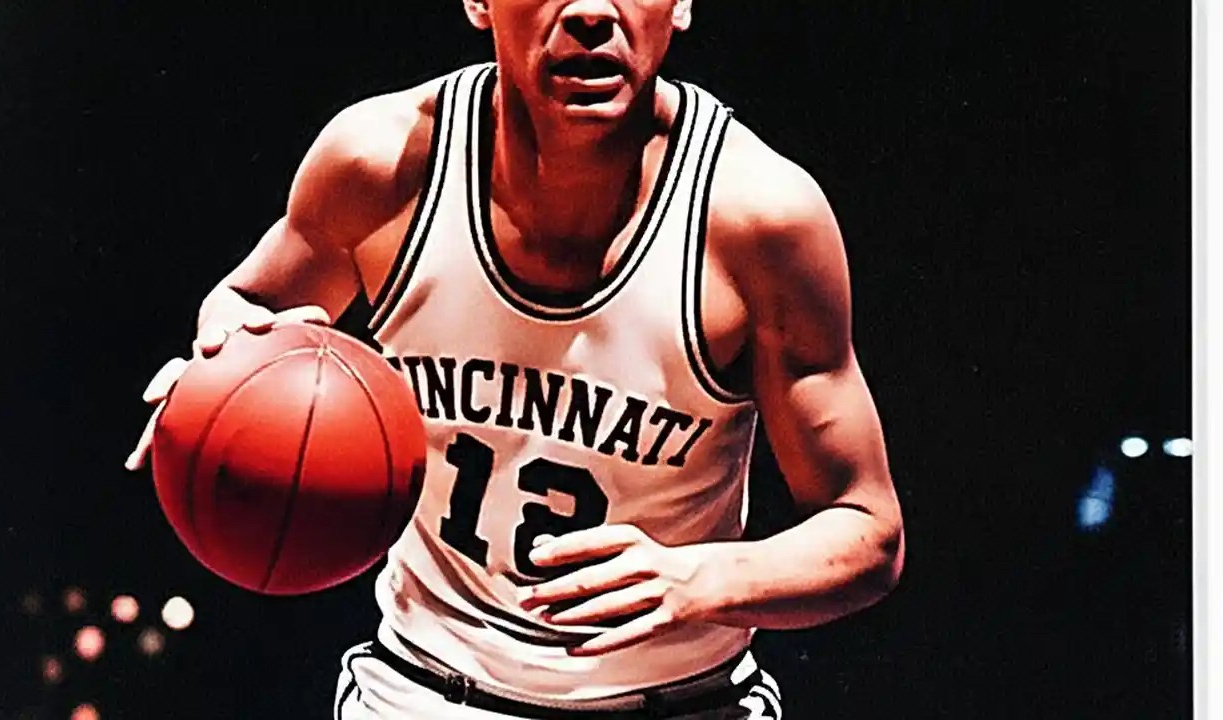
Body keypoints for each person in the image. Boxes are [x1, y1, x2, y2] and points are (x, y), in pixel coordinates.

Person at [126, 1, 905, 717]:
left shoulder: (760, 220)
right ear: (477, 2)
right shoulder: (384, 164)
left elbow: (867, 530)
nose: (594, 11)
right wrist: (220, 370)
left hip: (680, 698)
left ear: (683, 3)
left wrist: (700, 579)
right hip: (425, 689)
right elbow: (250, 303)